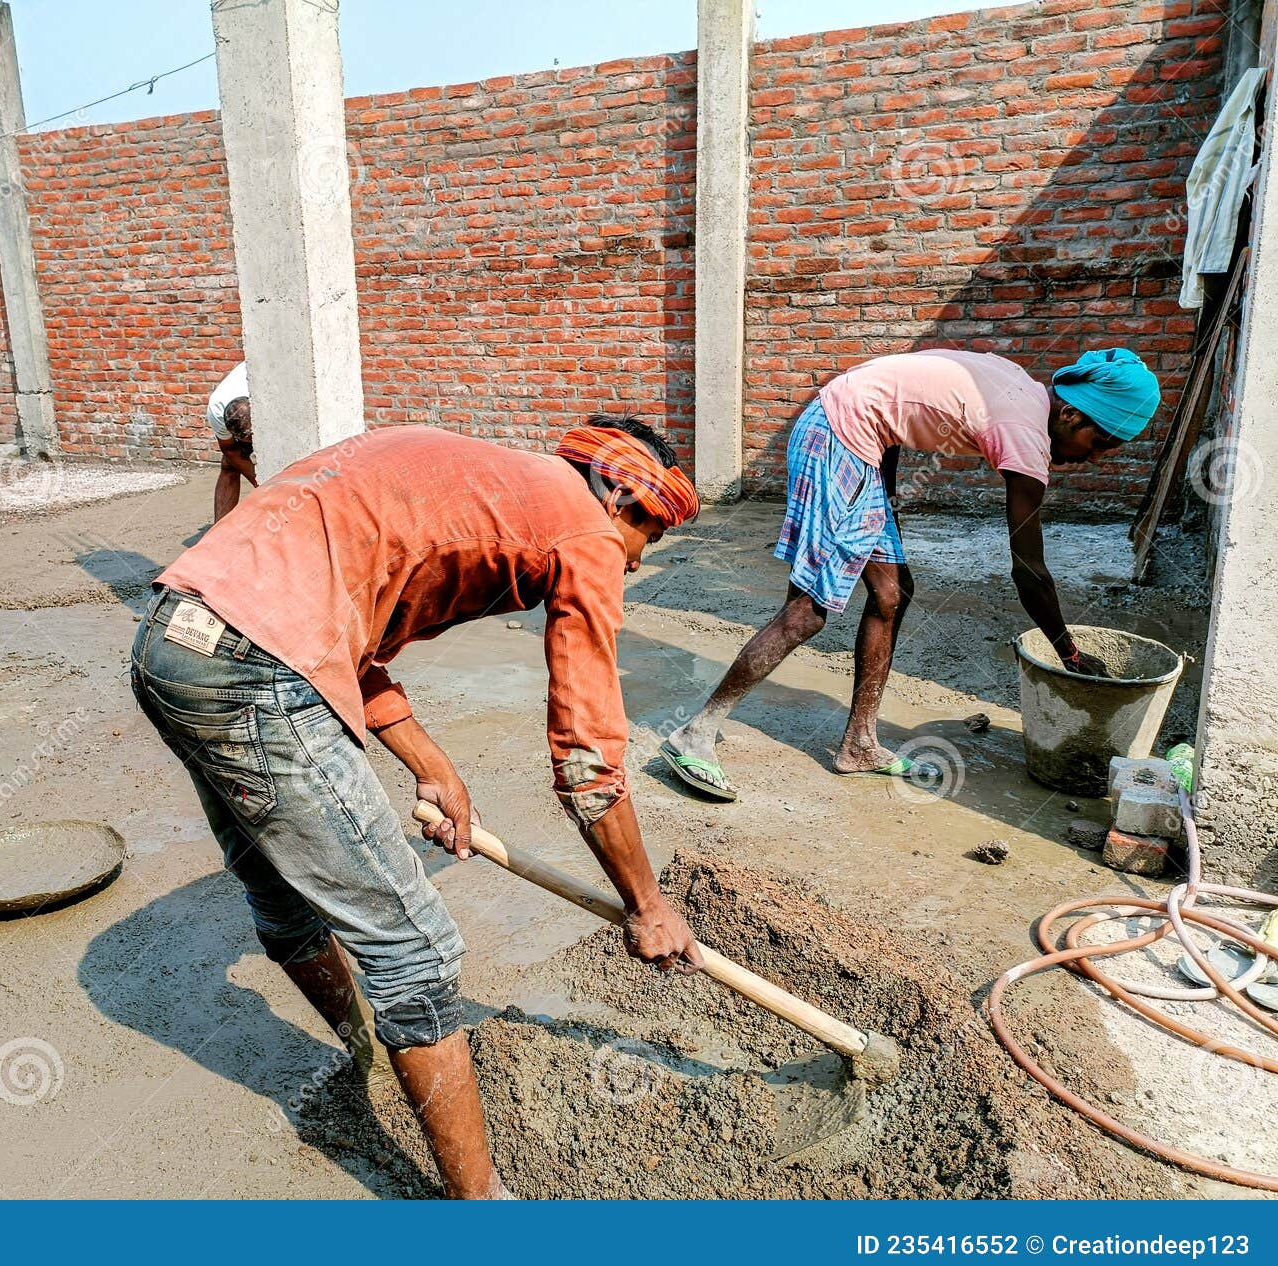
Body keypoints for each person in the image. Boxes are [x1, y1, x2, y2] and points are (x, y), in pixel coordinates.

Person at [131, 414, 703, 1198]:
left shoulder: (471, 471)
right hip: (257, 668)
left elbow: (339, 629)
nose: (633, 566)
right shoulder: (588, 534)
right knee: (416, 950)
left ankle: (362, 1058)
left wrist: (431, 764)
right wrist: (648, 903)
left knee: (280, 887)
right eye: (648, 544)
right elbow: (587, 762)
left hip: (172, 641)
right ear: (626, 502)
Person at [659, 347, 1161, 802]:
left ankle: (859, 743)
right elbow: (1028, 568)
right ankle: (695, 732)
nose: (1094, 458)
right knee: (810, 608)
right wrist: (1068, 653)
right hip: (836, 435)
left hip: (858, 438)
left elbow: (894, 402)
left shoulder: (1021, 385)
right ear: (1071, 413)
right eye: (1100, 442)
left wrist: (884, 498)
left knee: (891, 593)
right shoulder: (1025, 432)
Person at [207, 360, 256, 521]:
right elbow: (230, 451)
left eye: (252, 438)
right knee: (229, 465)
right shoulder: (216, 410)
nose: (250, 443)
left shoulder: (264, 392)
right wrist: (260, 483)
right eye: (245, 440)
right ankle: (219, 535)